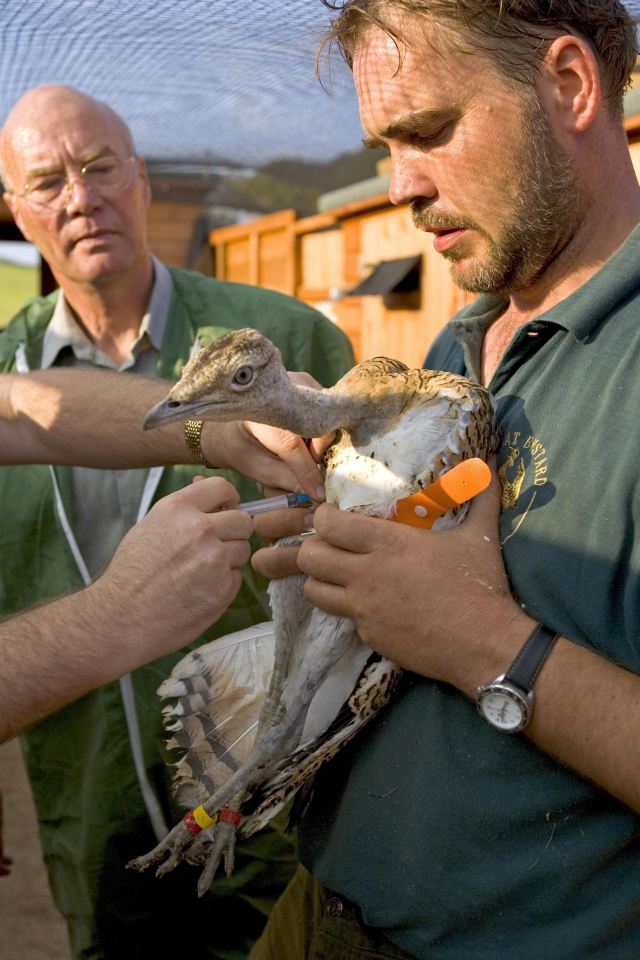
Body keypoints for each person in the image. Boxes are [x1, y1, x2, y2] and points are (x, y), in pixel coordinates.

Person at [246, 2, 640, 958]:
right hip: (317, 909)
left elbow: (449, 619)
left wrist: (484, 642)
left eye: (427, 131)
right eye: (385, 143)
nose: (397, 185)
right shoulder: (459, 337)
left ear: (570, 86)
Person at [0, 84, 354, 960]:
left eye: (99, 166)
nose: (80, 198)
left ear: (144, 180)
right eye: (46, 182)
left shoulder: (279, 338)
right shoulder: (9, 362)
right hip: (87, 802)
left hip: (273, 793)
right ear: (14, 212)